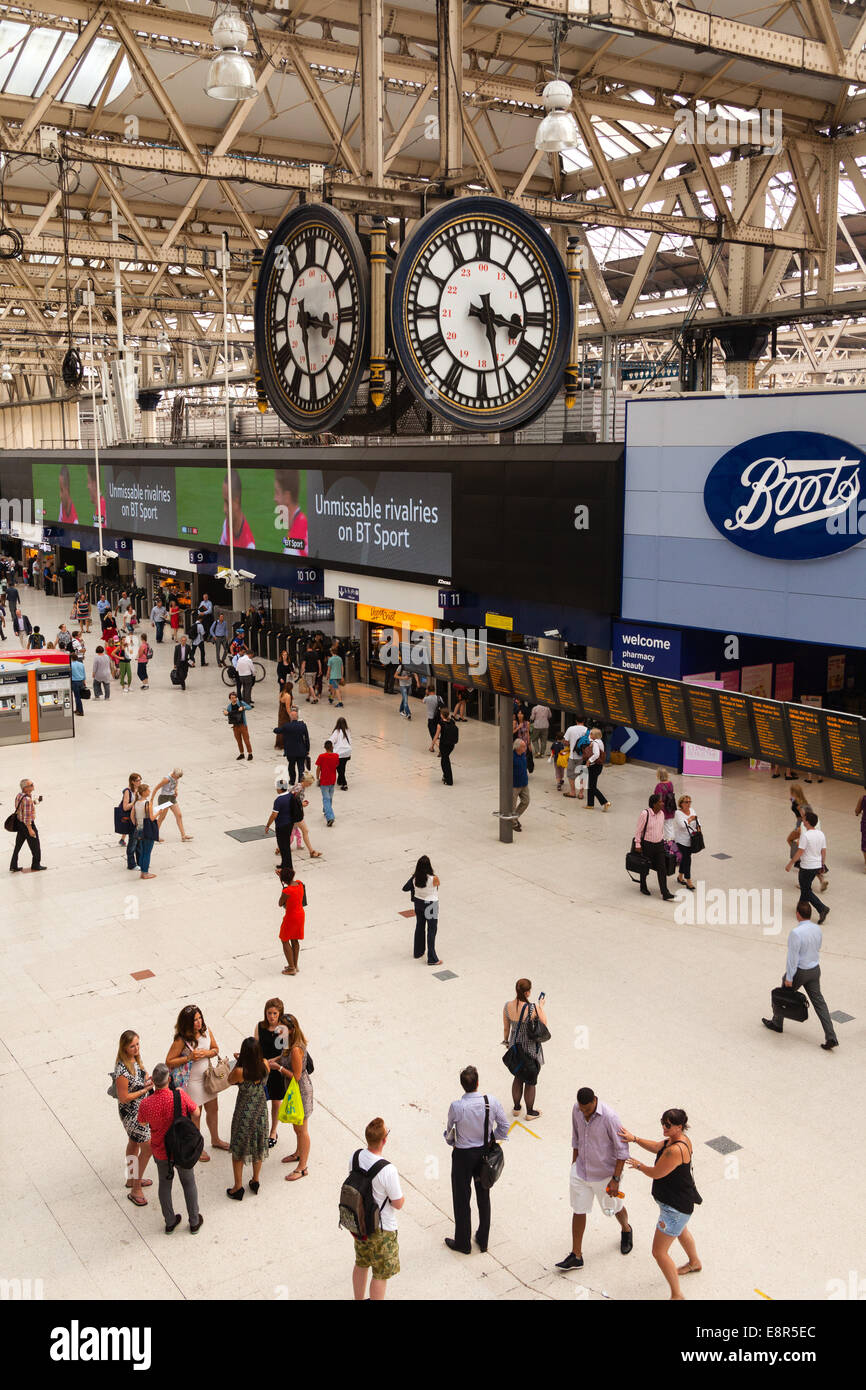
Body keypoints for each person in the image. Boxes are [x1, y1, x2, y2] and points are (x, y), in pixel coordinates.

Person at [618, 1109, 702, 1300]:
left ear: (679, 1127)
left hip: (674, 1209)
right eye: (662, 1123)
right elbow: (657, 1147)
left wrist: (639, 1166)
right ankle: (695, 1262)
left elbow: (656, 1173)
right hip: (680, 1205)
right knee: (681, 1231)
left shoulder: (675, 1150)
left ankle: (677, 1295)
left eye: (668, 1125)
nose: (663, 1127)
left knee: (659, 1252)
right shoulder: (677, 1140)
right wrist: (634, 1139)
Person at [555, 1087, 632, 1271]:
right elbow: (576, 1137)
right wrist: (574, 1164)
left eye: (587, 1110)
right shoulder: (577, 1109)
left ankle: (626, 1229)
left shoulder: (610, 1118)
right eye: (582, 1110)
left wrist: (615, 1179)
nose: (584, 1114)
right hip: (581, 1171)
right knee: (578, 1209)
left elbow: (622, 1151)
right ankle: (576, 1255)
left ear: (595, 1101)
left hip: (604, 1175)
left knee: (614, 1208)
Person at [443, 1065, 509, 1254]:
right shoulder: (491, 1102)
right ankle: (483, 1238)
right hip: (484, 1153)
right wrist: (491, 1138)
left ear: (462, 1085)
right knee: (484, 1195)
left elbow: (450, 1133)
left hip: (463, 1156)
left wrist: (450, 1141)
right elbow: (504, 1127)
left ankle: (463, 1242)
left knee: (462, 1198)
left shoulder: (457, 1106)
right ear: (478, 1083)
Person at [136, 1062, 203, 1233]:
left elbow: (142, 1122)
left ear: (154, 1081)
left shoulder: (146, 1104)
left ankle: (170, 1221)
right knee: (188, 1182)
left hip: (160, 1149)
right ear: (169, 1079)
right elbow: (196, 1113)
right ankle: (194, 1220)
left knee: (164, 1185)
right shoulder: (179, 1096)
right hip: (181, 1148)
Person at [762, 901, 839, 1049]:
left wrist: (789, 977)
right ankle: (831, 1036)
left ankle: (777, 1023)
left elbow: (792, 958)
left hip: (800, 971)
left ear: (798, 914)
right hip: (815, 970)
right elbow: (818, 946)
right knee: (820, 1003)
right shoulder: (817, 929)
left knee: (783, 994)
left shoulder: (796, 933)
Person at [166, 1005, 231, 1159]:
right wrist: (189, 1057)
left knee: (213, 1109)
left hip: (208, 1078)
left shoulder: (206, 1031)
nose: (198, 1022)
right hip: (193, 1082)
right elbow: (169, 1061)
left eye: (199, 1018)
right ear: (187, 1022)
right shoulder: (181, 1039)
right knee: (196, 1114)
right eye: (194, 1020)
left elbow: (215, 1049)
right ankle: (197, 1147)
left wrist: (206, 1053)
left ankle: (215, 1139)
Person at [350, 1118, 405, 1300]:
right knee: (380, 1274)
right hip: (382, 1229)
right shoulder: (388, 1170)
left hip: (360, 1223)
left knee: (361, 1262)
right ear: (384, 1140)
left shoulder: (356, 1156)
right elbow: (398, 1203)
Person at [111, 1030, 154, 1209]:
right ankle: (135, 1189)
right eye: (132, 1046)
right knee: (148, 1147)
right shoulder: (121, 1070)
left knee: (133, 1143)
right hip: (132, 1113)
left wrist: (147, 1082)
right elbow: (124, 1097)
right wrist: (144, 1091)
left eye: (137, 1044)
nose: (136, 1048)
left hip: (141, 1108)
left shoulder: (135, 1060)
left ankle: (131, 1178)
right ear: (124, 1047)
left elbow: (139, 1078)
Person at [225, 1038, 269, 1199]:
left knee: (238, 1149)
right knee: (258, 1145)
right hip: (261, 1110)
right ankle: (255, 1180)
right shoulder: (265, 1064)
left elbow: (229, 1080)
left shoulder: (239, 1072)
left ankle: (237, 1187)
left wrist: (238, 1063)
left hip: (244, 1114)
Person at [275, 1012, 313, 1181]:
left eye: (281, 1027)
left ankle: (302, 1167)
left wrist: (278, 1068)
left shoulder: (296, 1049)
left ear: (290, 1030)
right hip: (293, 1091)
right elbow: (283, 1056)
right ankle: (298, 1153)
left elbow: (296, 1076)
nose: (278, 1029)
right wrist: (270, 1061)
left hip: (300, 1091)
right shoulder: (287, 1042)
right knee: (296, 1127)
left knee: (302, 1129)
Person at [503, 979, 547, 1118]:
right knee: (530, 1080)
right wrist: (541, 1006)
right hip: (529, 1049)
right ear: (528, 992)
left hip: (515, 1046)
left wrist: (507, 1042)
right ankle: (530, 1112)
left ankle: (516, 1108)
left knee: (518, 1077)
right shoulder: (532, 1008)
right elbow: (544, 1024)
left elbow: (506, 1028)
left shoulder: (507, 1006)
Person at [256, 999, 291, 1149]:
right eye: (269, 1013)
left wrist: (273, 1061)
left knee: (276, 1102)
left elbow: (285, 1052)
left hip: (276, 1069)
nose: (271, 1016)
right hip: (262, 1068)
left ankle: (273, 1131)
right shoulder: (260, 1026)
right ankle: (261, 1129)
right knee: (260, 1102)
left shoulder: (282, 1030)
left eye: (275, 1013)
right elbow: (256, 1045)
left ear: (280, 1013)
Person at [787, 809, 829, 923]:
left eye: (804, 820)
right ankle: (800, 908)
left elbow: (800, 852)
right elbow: (823, 851)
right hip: (816, 866)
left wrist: (790, 864)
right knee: (805, 888)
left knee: (806, 890)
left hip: (806, 867)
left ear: (808, 822)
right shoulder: (821, 834)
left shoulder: (805, 836)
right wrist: (822, 865)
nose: (803, 821)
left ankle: (822, 908)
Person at [633, 795, 674, 900]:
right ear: (654, 804)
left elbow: (660, 829)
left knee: (662, 869)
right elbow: (638, 830)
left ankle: (665, 892)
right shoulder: (645, 814)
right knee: (645, 866)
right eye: (660, 802)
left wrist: (663, 841)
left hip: (659, 845)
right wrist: (638, 844)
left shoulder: (662, 814)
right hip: (647, 845)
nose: (663, 803)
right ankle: (643, 886)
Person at [409, 854, 442, 965]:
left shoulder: (415, 878)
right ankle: (432, 958)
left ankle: (418, 951)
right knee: (431, 931)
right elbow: (438, 885)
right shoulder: (434, 878)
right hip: (431, 905)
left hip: (418, 903)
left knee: (419, 926)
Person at [266, 782, 303, 872]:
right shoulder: (290, 795)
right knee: (284, 845)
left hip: (281, 825)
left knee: (283, 846)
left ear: (279, 789)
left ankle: (288, 866)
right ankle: (284, 864)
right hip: (289, 824)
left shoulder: (279, 800)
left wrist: (267, 825)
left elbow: (274, 814)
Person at [277, 867, 306, 975]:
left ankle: (291, 967)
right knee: (295, 940)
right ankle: (295, 964)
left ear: (284, 880)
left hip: (290, 917)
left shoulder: (287, 891)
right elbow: (291, 882)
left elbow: (280, 903)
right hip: (300, 915)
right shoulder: (300, 884)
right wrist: (282, 876)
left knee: (284, 939)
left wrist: (282, 881)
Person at [274, 468, 308, 555]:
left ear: (287, 497)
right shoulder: (304, 522)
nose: (275, 499)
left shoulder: (292, 549)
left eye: (277, 492)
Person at [153, 769, 192, 841]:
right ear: (173, 774)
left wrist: (175, 790)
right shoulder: (166, 779)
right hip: (164, 798)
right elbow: (156, 788)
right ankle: (155, 835)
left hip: (172, 798)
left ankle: (183, 836)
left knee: (179, 815)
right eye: (176, 777)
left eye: (178, 778)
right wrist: (152, 799)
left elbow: (176, 783)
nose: (177, 779)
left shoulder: (176, 776)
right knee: (162, 817)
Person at [276, 708, 310, 787]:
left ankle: (292, 780)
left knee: (291, 766)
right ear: (297, 717)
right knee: (301, 767)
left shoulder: (287, 726)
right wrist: (307, 749)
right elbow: (307, 738)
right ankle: (300, 782)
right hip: (301, 750)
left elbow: (277, 731)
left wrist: (275, 729)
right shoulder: (303, 726)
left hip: (290, 751)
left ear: (290, 717)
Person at [132, 785, 158, 879]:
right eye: (148, 790)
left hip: (139, 829)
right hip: (147, 830)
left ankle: (142, 872)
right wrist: (159, 812)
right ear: (144, 792)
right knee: (147, 852)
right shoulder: (147, 803)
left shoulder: (136, 802)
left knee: (142, 851)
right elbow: (151, 818)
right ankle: (145, 873)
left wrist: (137, 824)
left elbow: (132, 817)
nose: (150, 791)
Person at [674, 795, 698, 890]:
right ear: (681, 803)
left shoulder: (692, 810)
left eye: (689, 802)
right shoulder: (678, 813)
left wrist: (698, 826)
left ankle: (680, 877)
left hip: (691, 840)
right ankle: (688, 881)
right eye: (686, 802)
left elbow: (697, 821)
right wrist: (690, 819)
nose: (688, 804)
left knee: (685, 859)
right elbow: (682, 825)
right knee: (687, 860)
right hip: (681, 840)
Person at [585, 727, 610, 810]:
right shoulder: (600, 741)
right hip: (598, 766)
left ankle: (605, 802)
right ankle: (590, 804)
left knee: (592, 786)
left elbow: (596, 754)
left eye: (591, 733)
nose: (590, 735)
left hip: (594, 766)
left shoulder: (595, 743)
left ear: (594, 735)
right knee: (591, 785)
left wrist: (589, 760)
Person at [315, 739, 339, 826]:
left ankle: (330, 817)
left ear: (325, 747)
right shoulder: (336, 756)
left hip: (324, 781)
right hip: (332, 780)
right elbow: (336, 765)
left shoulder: (321, 756)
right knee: (330, 797)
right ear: (332, 747)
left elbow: (318, 768)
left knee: (326, 799)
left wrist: (318, 778)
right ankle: (326, 810)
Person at [224, 691, 253, 759]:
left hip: (243, 725)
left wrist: (243, 708)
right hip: (235, 726)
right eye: (232, 698)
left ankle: (250, 753)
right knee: (239, 741)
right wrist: (225, 713)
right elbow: (228, 713)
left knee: (246, 740)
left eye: (235, 697)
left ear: (236, 698)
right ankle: (242, 753)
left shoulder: (240, 703)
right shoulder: (229, 706)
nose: (234, 699)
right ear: (230, 699)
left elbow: (249, 707)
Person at [119, 772, 141, 856]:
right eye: (137, 780)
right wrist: (134, 802)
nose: (139, 782)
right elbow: (125, 807)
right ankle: (131, 861)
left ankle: (122, 840)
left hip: (137, 815)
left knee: (137, 840)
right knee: (133, 840)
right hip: (130, 816)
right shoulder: (127, 791)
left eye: (140, 780)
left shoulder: (139, 789)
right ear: (132, 781)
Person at [328, 716, 352, 789]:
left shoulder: (337, 731)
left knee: (339, 769)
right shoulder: (348, 730)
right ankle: (340, 780)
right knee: (343, 767)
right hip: (347, 752)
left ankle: (344, 783)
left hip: (339, 753)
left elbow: (331, 741)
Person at [653, 768, 677, 840]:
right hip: (670, 806)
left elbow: (658, 798)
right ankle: (671, 841)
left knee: (660, 825)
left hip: (663, 809)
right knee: (669, 825)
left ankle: (662, 840)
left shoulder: (659, 786)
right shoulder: (670, 784)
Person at [512, 738, 530, 830]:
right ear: (517, 748)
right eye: (523, 746)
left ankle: (514, 818)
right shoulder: (511, 757)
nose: (525, 748)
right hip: (514, 785)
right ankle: (513, 822)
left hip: (524, 783)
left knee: (526, 801)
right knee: (512, 805)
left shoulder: (523, 754)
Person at [438, 707, 459, 785]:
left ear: (442, 715)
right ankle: (445, 776)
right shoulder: (452, 722)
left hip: (443, 745)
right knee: (445, 760)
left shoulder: (440, 723)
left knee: (445, 762)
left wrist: (432, 745)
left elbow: (436, 736)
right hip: (451, 745)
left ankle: (449, 780)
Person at [423, 685, 442, 750]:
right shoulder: (439, 697)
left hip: (431, 719)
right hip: (439, 718)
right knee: (436, 734)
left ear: (428, 690)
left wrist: (426, 694)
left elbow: (423, 701)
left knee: (434, 735)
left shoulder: (427, 698)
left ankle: (441, 749)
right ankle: (432, 747)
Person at [327, 641, 344, 705]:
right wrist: (342, 676)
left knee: (336, 688)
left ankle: (340, 702)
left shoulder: (330, 659)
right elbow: (342, 668)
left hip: (333, 676)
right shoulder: (340, 658)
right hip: (339, 676)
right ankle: (331, 698)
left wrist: (327, 675)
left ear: (331, 652)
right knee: (333, 688)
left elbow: (329, 669)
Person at [856, 786, 866, 871]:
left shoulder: (862, 798)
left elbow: (857, 811)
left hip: (865, 824)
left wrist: (857, 813)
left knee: (865, 843)